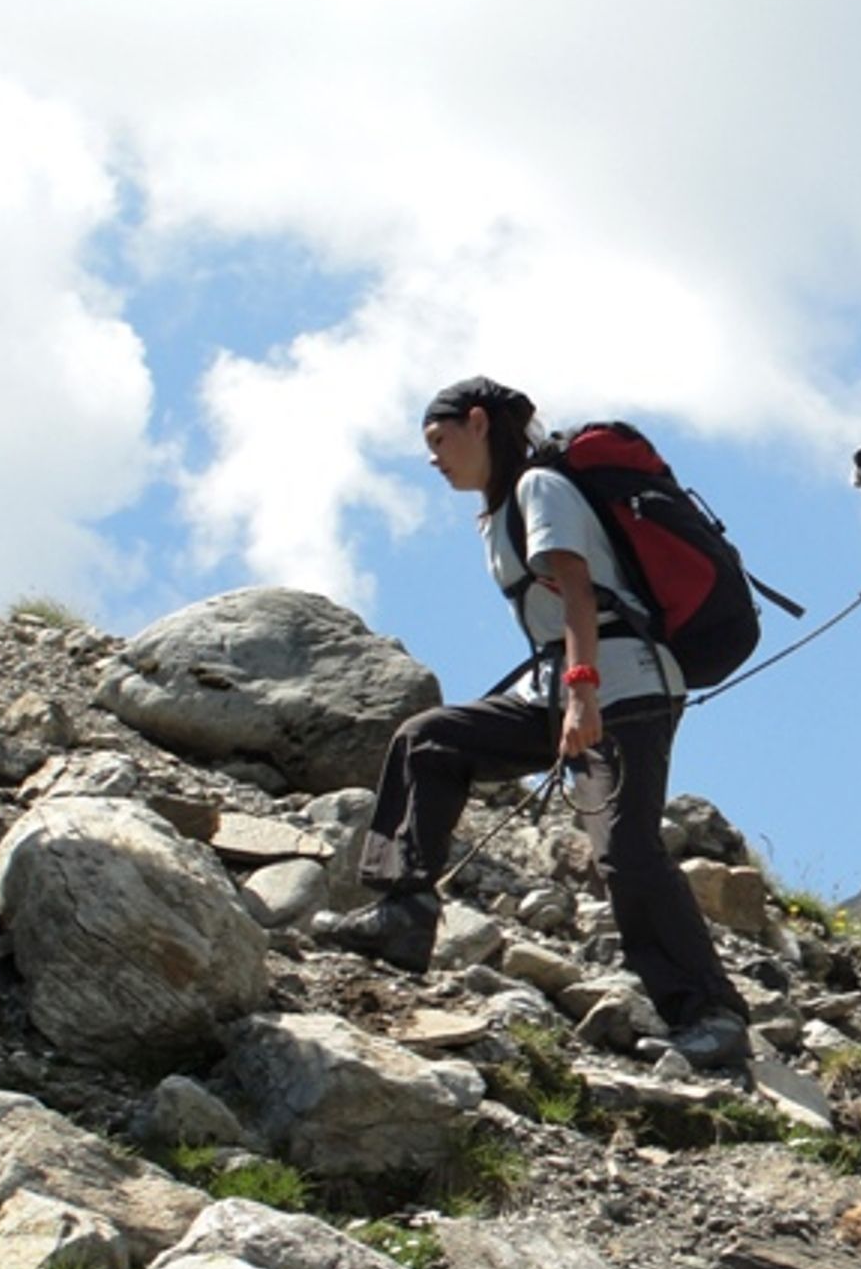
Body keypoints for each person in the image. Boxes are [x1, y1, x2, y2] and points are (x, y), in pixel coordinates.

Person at [314, 376, 752, 1069]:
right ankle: (404, 912)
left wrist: (582, 693)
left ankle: (712, 1015)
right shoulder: (500, 511)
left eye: (440, 439)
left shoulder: (538, 489)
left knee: (626, 850)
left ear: (479, 423)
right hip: (560, 689)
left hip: (623, 689)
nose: (433, 458)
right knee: (429, 738)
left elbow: (576, 592)